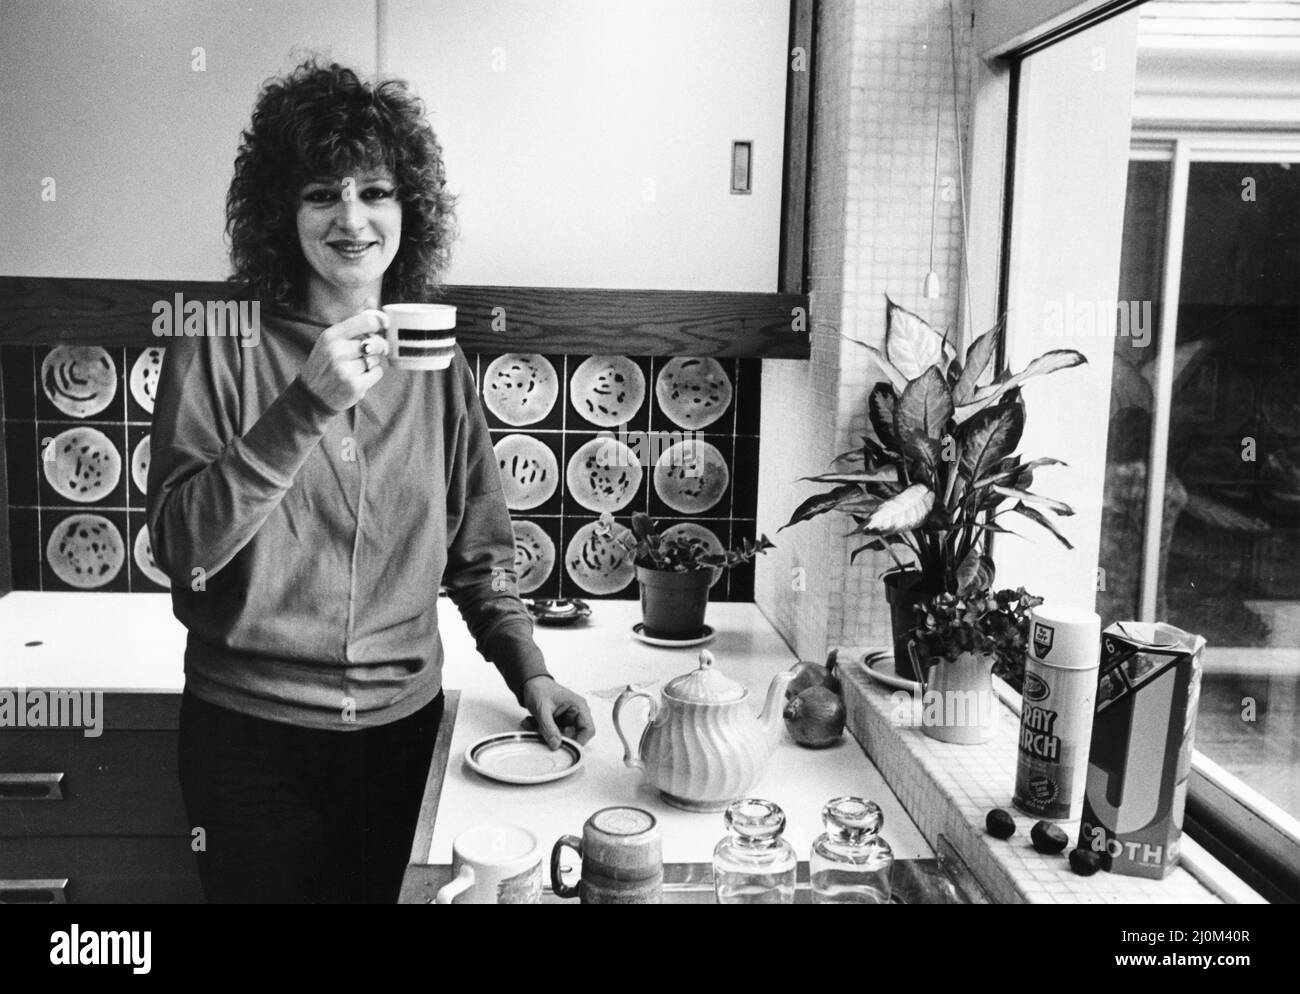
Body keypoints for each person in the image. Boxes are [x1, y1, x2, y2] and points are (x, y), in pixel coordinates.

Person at [146, 59, 595, 904]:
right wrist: (304, 406)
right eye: (322, 193)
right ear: (285, 213)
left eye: (375, 192)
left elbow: (479, 559)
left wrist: (529, 672)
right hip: (251, 745)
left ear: (406, 210)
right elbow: (182, 550)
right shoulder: (217, 344)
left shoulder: (437, 364)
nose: (351, 218)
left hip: (403, 740)